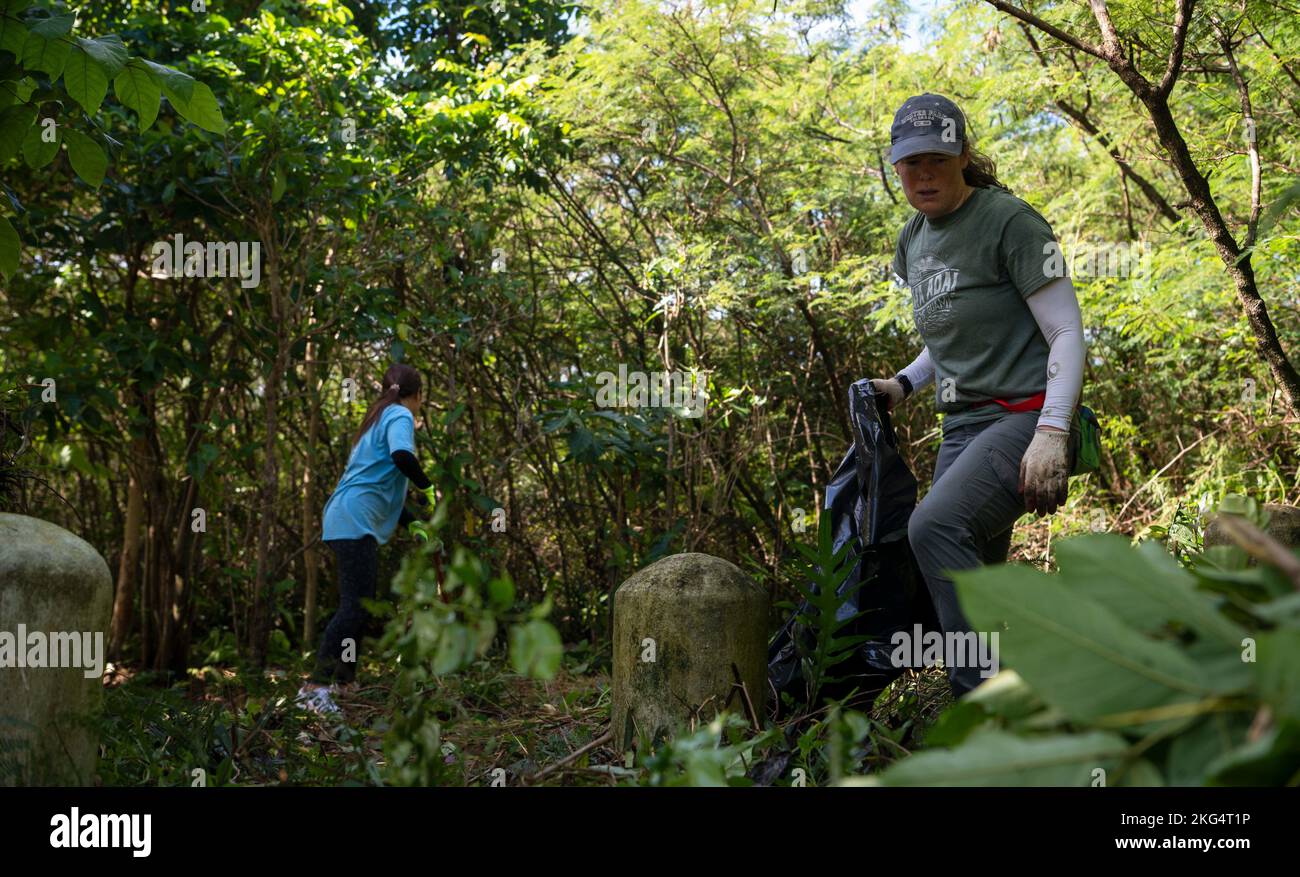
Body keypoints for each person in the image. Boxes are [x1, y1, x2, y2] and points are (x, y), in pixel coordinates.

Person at [870, 93, 1085, 698]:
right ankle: (1024, 700)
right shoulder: (914, 239)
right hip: (961, 426)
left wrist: (1052, 433)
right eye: (911, 164)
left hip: (1023, 414)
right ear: (896, 169)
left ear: (964, 154)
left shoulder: (1010, 223)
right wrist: (905, 383)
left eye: (937, 158)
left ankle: (988, 707)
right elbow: (954, 335)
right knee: (978, 576)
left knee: (931, 528)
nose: (925, 174)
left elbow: (1067, 331)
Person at [296, 363, 436, 714]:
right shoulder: (401, 415)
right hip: (353, 519)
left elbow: (379, 485)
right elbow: (402, 457)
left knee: (360, 605)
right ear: (418, 396)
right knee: (354, 606)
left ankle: (344, 681)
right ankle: (315, 686)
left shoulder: (377, 418)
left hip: (349, 516)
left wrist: (412, 523)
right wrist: (428, 485)